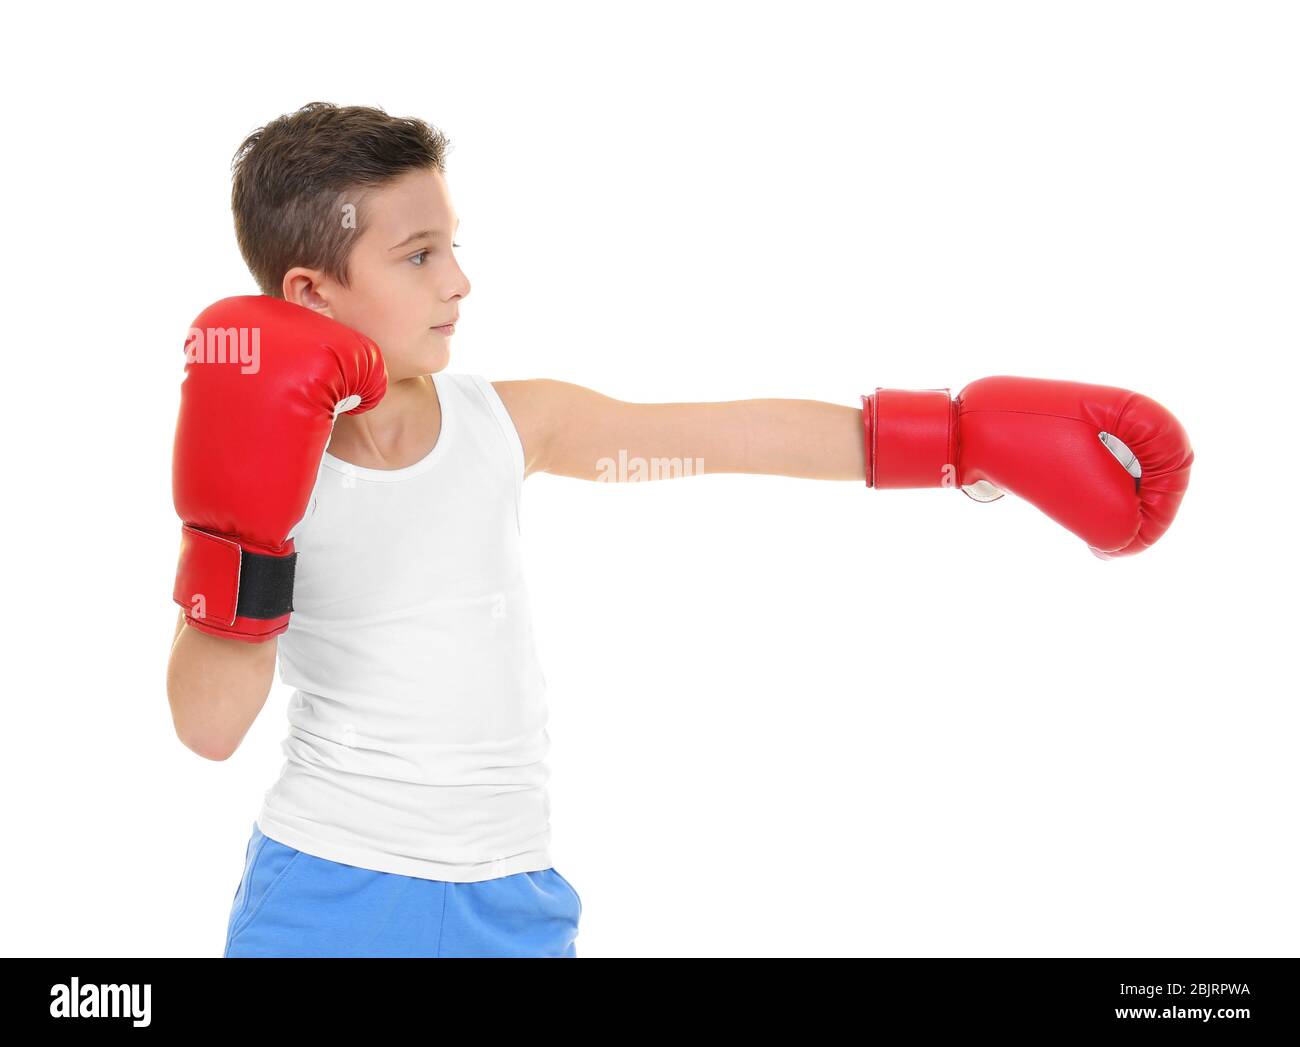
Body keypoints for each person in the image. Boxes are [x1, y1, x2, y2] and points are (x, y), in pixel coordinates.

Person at [166, 103, 1192, 959]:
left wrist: (958, 440)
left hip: (508, 892)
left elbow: (708, 436)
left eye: (455, 246)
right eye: (419, 254)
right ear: (310, 295)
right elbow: (208, 729)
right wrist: (247, 529)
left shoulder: (504, 424)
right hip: (332, 892)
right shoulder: (266, 478)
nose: (460, 281)